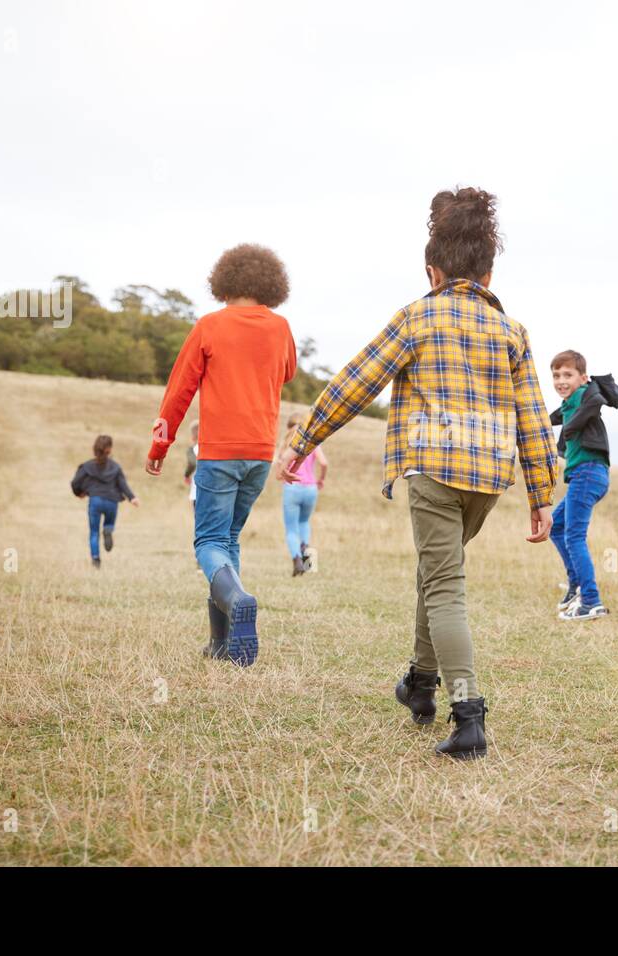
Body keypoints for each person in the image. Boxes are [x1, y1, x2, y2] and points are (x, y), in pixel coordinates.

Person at [278, 187, 558, 760]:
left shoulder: (416, 317)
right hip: (488, 479)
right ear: (488, 273)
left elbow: (355, 384)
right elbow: (532, 415)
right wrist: (542, 495)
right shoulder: (513, 332)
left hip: (433, 467)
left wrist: (302, 440)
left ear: (432, 271)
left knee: (445, 587)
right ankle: (419, 684)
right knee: (437, 576)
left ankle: (469, 716)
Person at [145, 244, 297, 664]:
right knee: (228, 540)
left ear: (223, 282)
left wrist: (161, 443)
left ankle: (237, 601)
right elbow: (288, 371)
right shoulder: (281, 327)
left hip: (219, 452)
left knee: (209, 540)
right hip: (260, 454)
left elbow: (179, 391)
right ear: (270, 284)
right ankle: (223, 643)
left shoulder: (209, 326)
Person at [548, 351, 618, 620]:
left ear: (582, 377)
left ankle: (591, 601)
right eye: (556, 375)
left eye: (567, 374)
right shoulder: (570, 403)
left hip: (588, 472)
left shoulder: (585, 395)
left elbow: (596, 399)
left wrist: (569, 430)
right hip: (586, 475)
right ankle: (578, 587)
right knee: (556, 526)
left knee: (574, 536)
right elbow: (552, 418)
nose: (560, 380)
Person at [70, 434, 139, 568]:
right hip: (112, 501)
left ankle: (96, 559)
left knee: (94, 532)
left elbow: (75, 482)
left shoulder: (87, 466)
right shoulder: (115, 467)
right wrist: (132, 498)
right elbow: (122, 484)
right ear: (110, 449)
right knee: (108, 524)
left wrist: (79, 493)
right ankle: (108, 529)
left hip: (95, 500)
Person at [274, 413, 327, 576]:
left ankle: (297, 560)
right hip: (310, 489)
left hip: (292, 489)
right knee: (304, 523)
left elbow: (277, 473)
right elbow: (324, 463)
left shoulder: (285, 445)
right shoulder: (312, 444)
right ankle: (306, 558)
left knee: (291, 529)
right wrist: (321, 480)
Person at [185, 421, 199, 510]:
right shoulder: (214, 449)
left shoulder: (193, 449)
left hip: (197, 491)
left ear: (193, 437)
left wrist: (186, 475)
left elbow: (192, 463)